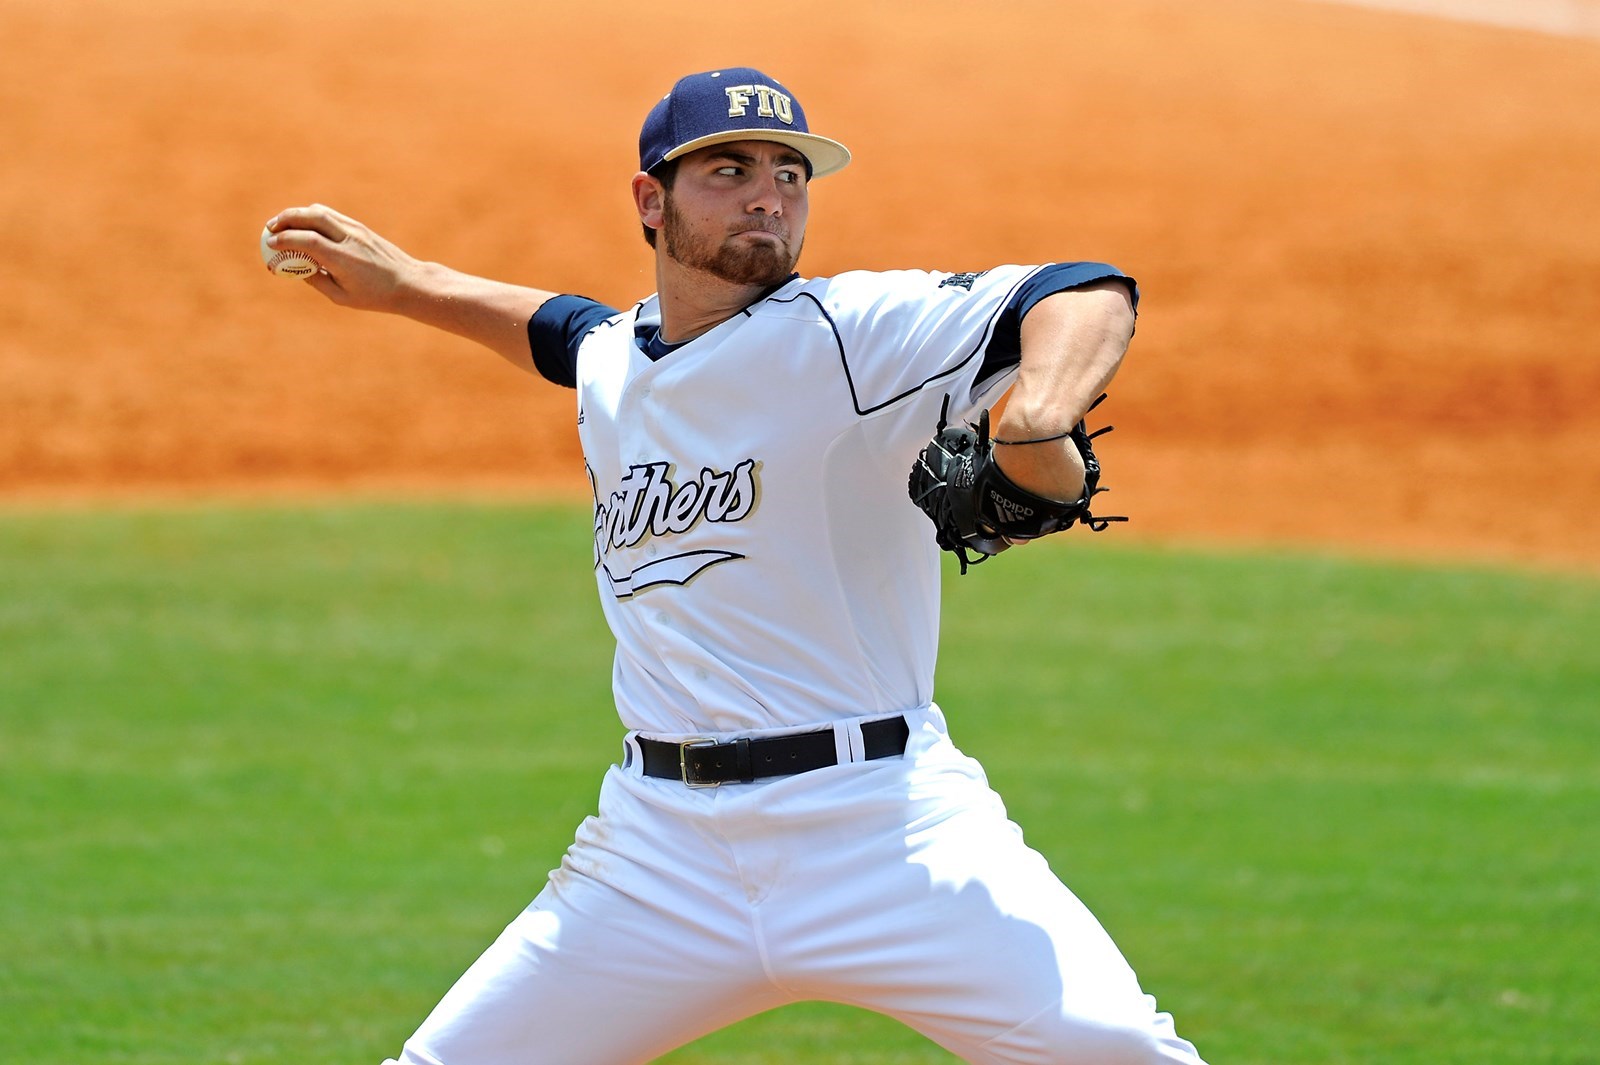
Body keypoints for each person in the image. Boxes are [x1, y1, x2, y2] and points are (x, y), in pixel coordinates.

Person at [264, 67, 1206, 1065]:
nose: (768, 193)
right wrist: (410, 287)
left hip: (885, 833)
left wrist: (1042, 412)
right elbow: (562, 333)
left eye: (788, 174)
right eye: (728, 168)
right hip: (659, 855)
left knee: (1121, 1053)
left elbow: (1080, 289)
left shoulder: (857, 333)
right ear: (648, 200)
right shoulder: (615, 358)